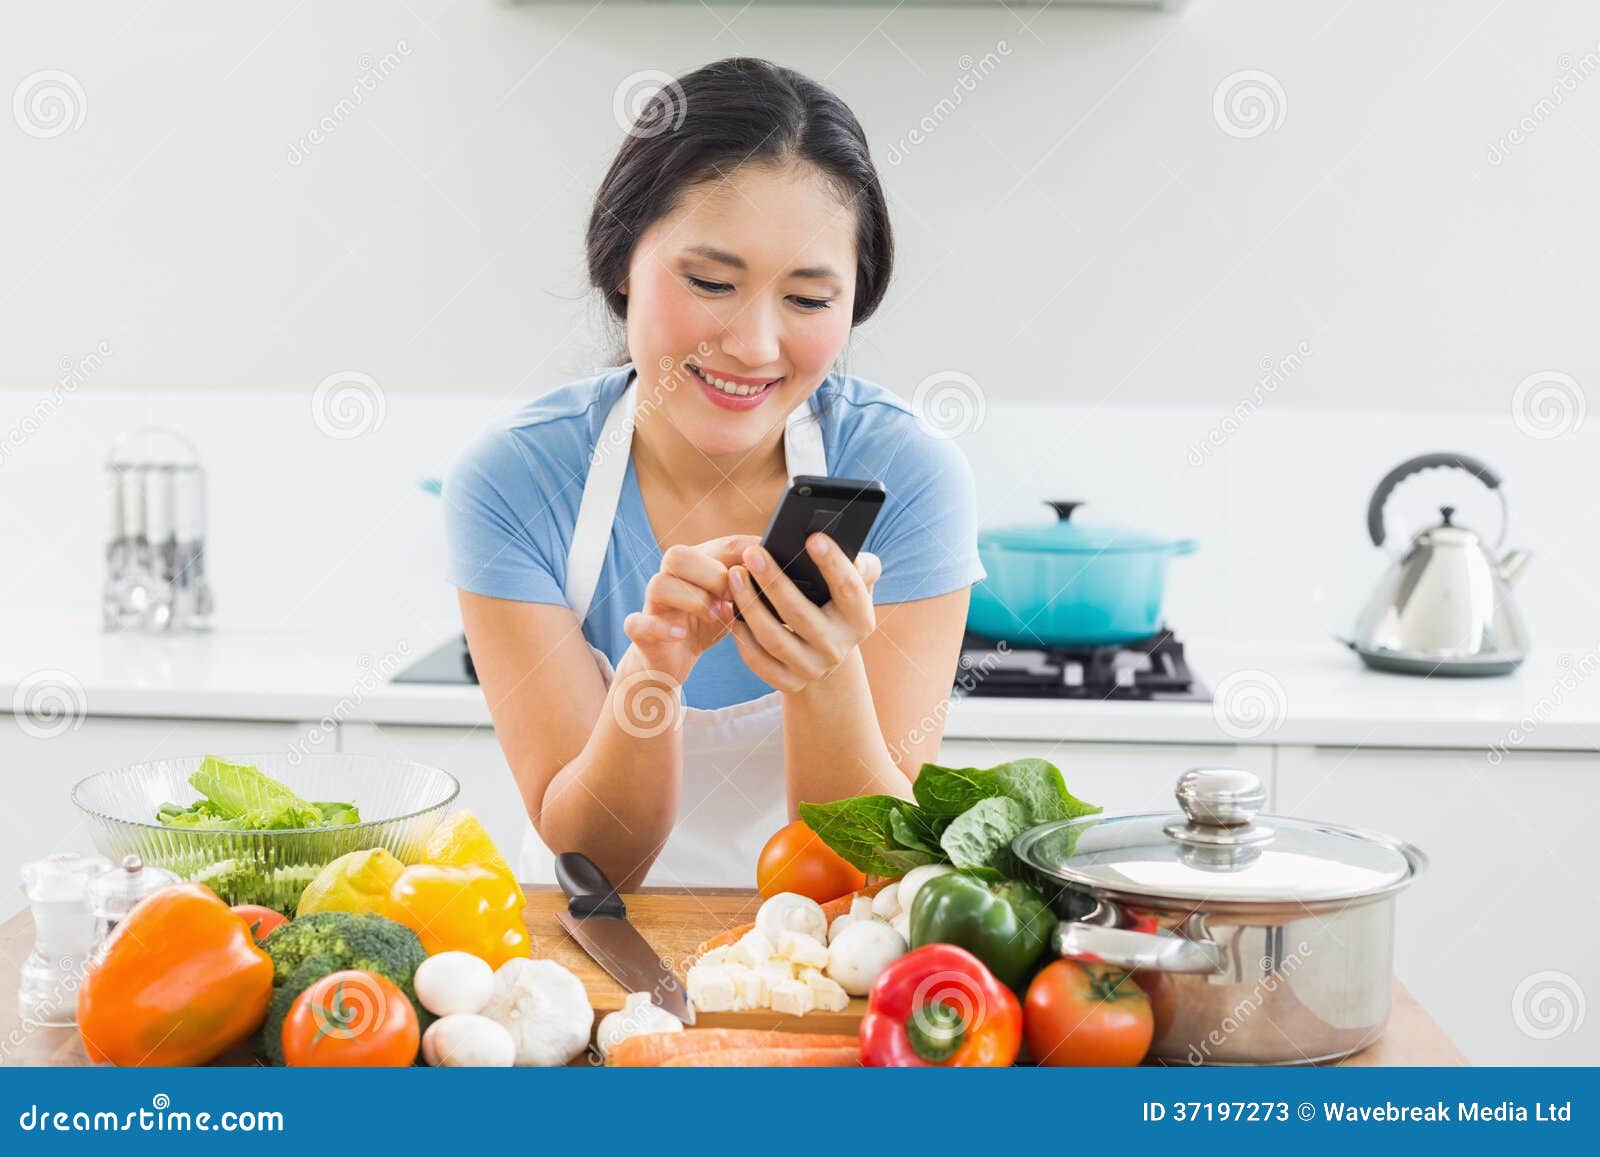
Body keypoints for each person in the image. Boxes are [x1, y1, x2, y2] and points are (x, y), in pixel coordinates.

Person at [444, 58, 984, 890]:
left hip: (823, 967)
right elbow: (595, 861)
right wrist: (651, 673)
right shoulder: (517, 478)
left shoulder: (908, 476)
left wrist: (826, 673)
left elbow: (876, 874)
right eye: (709, 282)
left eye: (807, 300)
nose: (755, 346)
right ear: (623, 263)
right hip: (593, 955)